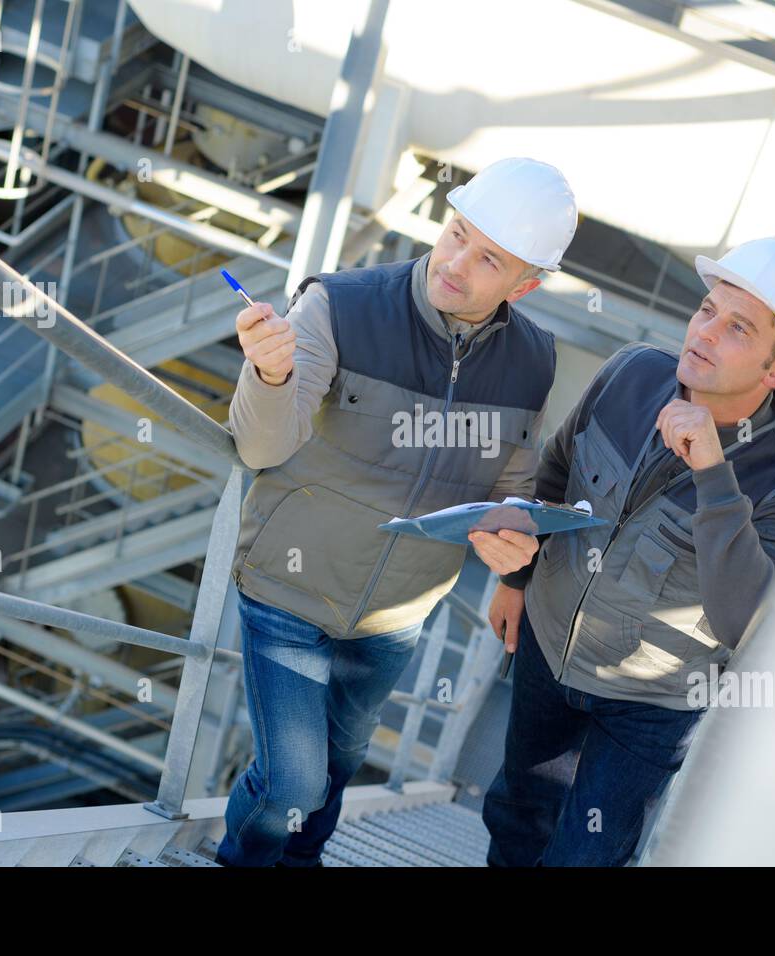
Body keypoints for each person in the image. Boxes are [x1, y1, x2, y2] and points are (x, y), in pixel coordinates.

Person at [215, 158, 578, 867]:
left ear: (524, 285)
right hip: (289, 589)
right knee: (293, 778)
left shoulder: (534, 359)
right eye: (456, 234)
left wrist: (514, 551)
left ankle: (301, 861)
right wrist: (269, 372)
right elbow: (262, 447)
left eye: (487, 258)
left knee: (342, 760)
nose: (455, 263)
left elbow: (511, 479)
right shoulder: (340, 305)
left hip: (396, 616)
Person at [479, 237, 775, 866]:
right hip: (546, 648)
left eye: (738, 329)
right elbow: (556, 473)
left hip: (649, 708)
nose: (705, 333)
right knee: (516, 819)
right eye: (707, 311)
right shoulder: (631, 374)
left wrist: (715, 476)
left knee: (585, 860)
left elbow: (744, 623)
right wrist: (516, 580)